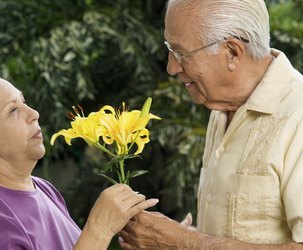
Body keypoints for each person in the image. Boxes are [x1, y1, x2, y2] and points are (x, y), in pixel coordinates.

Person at [119, 0, 303, 249]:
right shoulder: (222, 106)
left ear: (232, 52)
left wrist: (183, 242)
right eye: (169, 49)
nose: (172, 67)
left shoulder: (297, 116)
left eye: (181, 53)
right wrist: (170, 239)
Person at [0, 66, 159, 250]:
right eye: (13, 110)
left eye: (24, 102)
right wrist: (98, 230)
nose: (34, 114)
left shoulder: (43, 189)